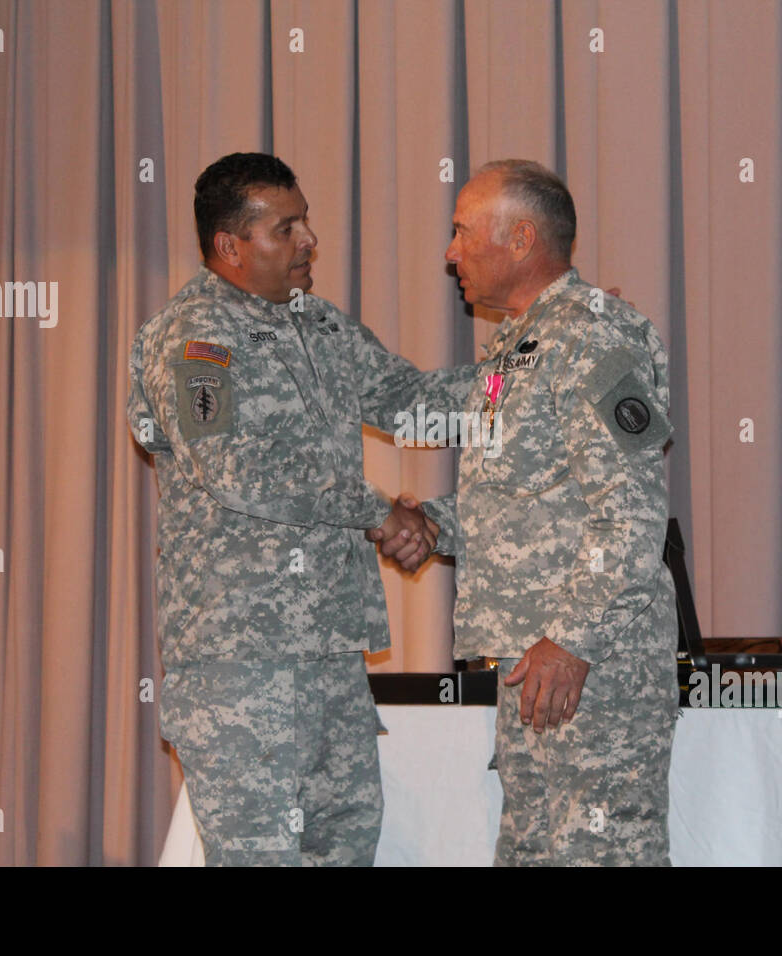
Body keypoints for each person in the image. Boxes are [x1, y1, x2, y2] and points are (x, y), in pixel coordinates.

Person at [127, 152, 470, 865]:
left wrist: (535, 364)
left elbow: (415, 403)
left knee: (344, 846)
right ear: (231, 246)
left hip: (330, 653)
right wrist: (376, 510)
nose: (310, 239)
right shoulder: (193, 339)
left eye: (306, 220)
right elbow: (236, 467)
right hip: (241, 665)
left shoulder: (319, 326)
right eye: (287, 227)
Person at [381, 160, 678, 865]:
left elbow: (631, 513)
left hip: (594, 667)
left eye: (460, 232)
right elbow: (522, 498)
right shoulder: (517, 347)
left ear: (519, 238)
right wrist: (434, 525)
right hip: (534, 666)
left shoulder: (594, 336)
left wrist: (572, 640)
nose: (449, 252)